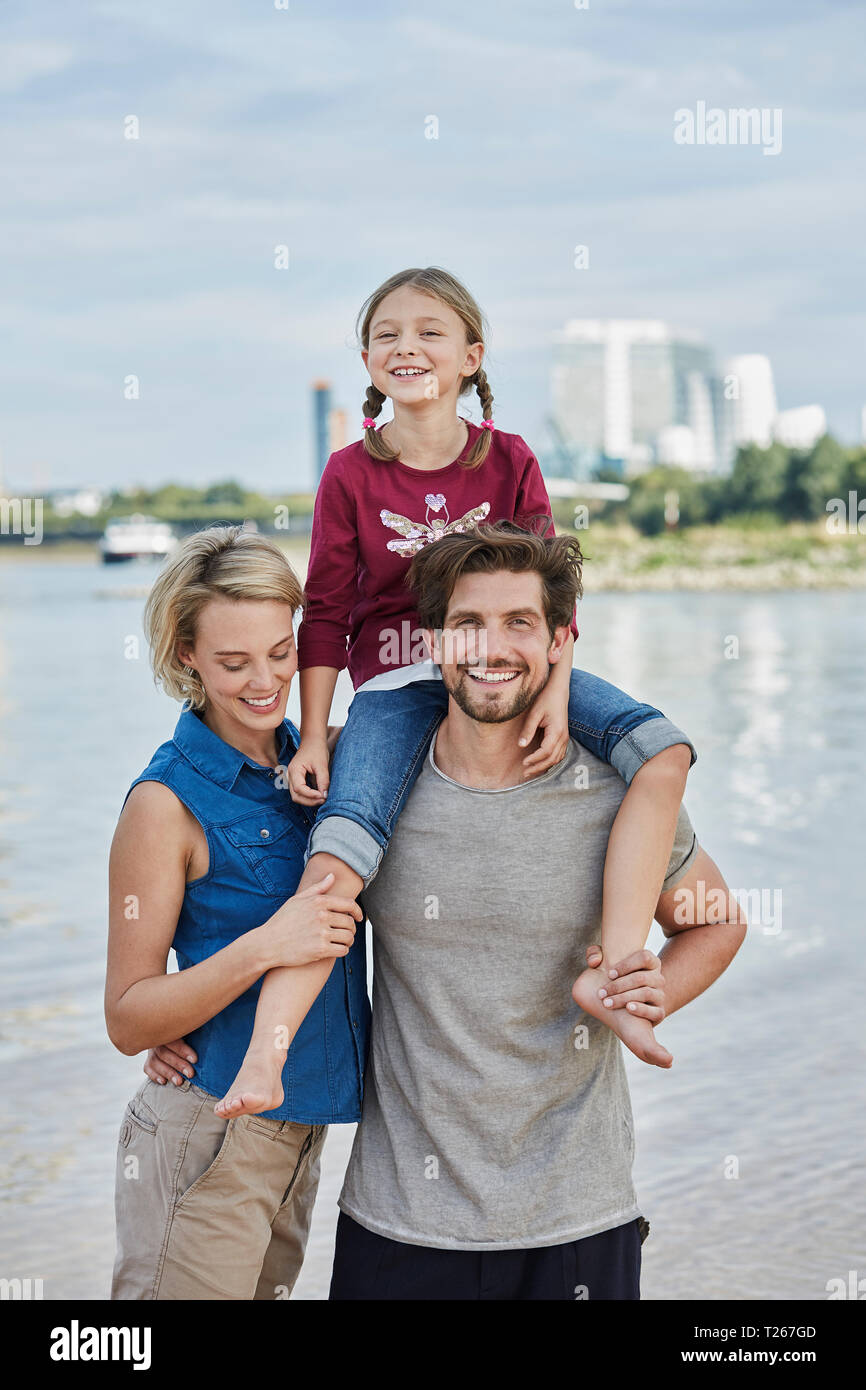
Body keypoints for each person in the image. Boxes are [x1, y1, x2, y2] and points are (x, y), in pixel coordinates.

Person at [215, 267, 697, 1120]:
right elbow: (325, 610)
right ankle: (267, 1055)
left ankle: (618, 977)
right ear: (366, 360)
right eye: (388, 334)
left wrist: (555, 683)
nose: (409, 347)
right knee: (338, 857)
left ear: (473, 356)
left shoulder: (509, 458)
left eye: (431, 331)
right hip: (401, 680)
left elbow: (552, 588)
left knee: (662, 752)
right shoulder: (349, 474)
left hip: (513, 660)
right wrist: (317, 733)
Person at [326, 522, 747, 1301]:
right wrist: (174, 1034)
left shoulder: (620, 794)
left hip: (577, 1224)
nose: (492, 648)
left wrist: (659, 990)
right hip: (400, 1221)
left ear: (560, 641)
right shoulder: (370, 790)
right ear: (433, 641)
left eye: (519, 623)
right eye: (468, 624)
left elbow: (716, 920)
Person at [105, 526, 367, 1300]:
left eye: (281, 653)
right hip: (206, 1133)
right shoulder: (163, 805)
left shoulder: (318, 762)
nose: (265, 680)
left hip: (295, 1134)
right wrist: (263, 947)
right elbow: (127, 1018)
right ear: (185, 654)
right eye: (232, 662)